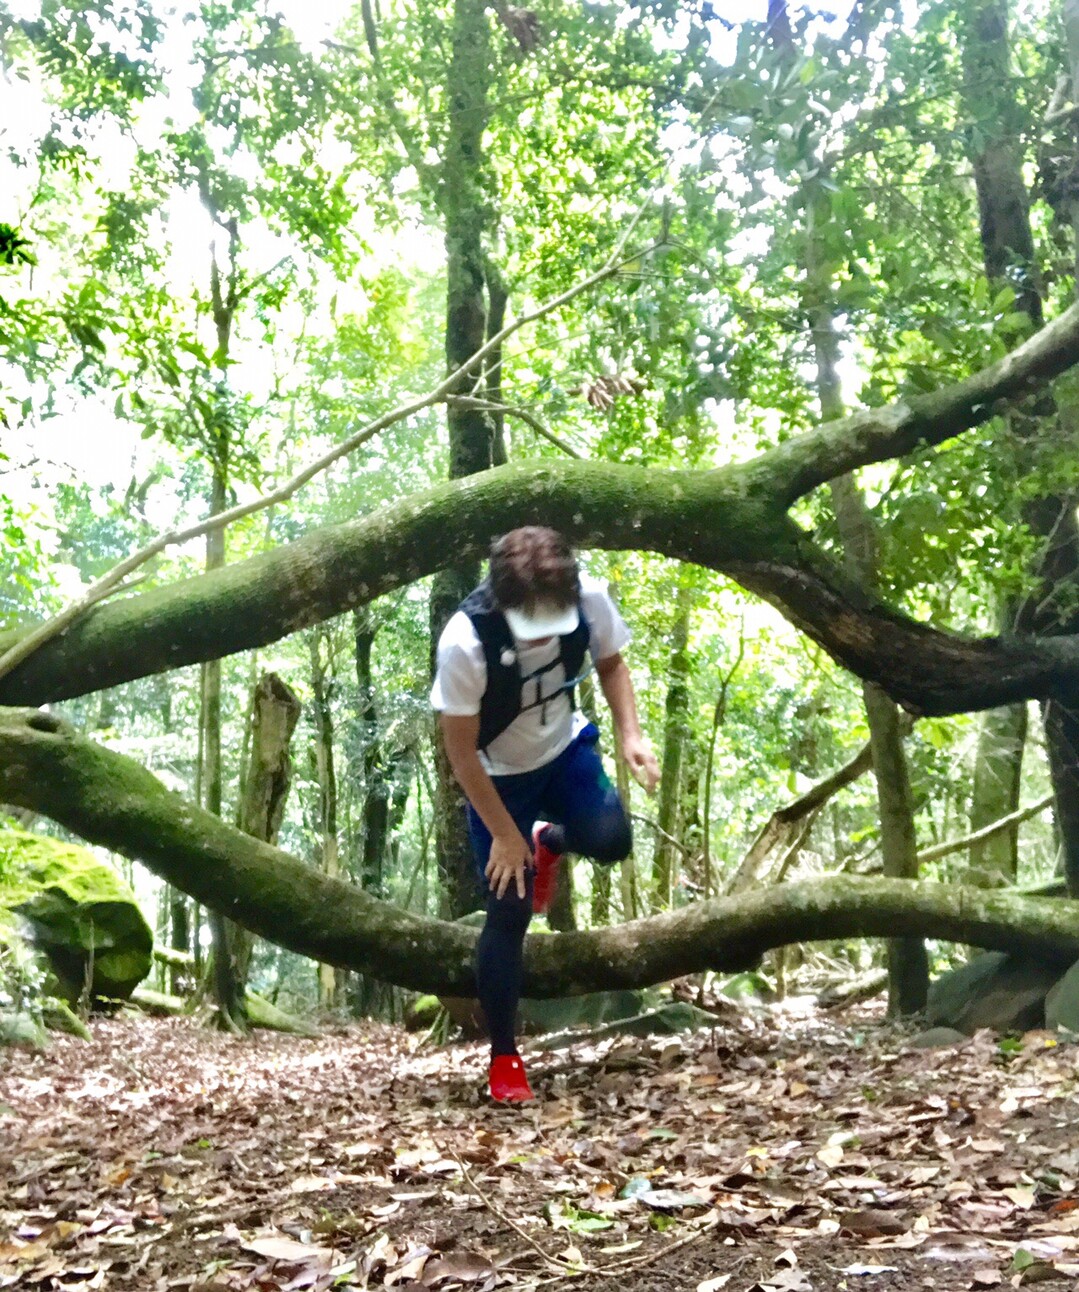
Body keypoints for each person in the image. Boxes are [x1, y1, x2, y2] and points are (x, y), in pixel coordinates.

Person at [431, 526, 660, 1103]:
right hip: (496, 777)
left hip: (564, 750)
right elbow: (459, 750)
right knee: (509, 911)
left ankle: (549, 840)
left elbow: (610, 664)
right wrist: (506, 837)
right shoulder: (466, 642)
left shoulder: (589, 598)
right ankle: (504, 1056)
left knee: (611, 839)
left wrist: (631, 734)